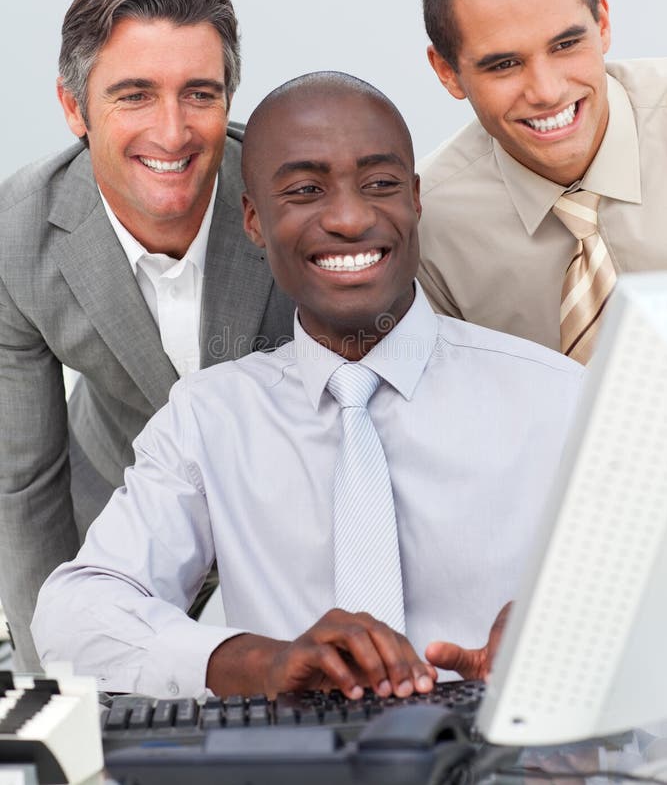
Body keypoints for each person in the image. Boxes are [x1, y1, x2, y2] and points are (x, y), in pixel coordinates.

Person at [33, 72, 583, 700]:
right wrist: (255, 663)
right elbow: (72, 618)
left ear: (416, 200)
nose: (350, 218)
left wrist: (575, 637)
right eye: (304, 190)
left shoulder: (562, 401)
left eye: (380, 184)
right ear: (254, 221)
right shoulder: (209, 420)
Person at [0, 0, 294, 673]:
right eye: (134, 94)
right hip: (120, 489)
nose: (172, 132)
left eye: (199, 94)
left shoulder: (296, 197)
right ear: (75, 109)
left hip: (293, 502)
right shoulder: (16, 236)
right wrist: (58, 686)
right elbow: (23, 482)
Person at [417, 0, 667, 364]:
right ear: (447, 72)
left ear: (603, 22)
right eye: (504, 65)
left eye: (566, 45)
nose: (548, 92)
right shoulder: (429, 227)